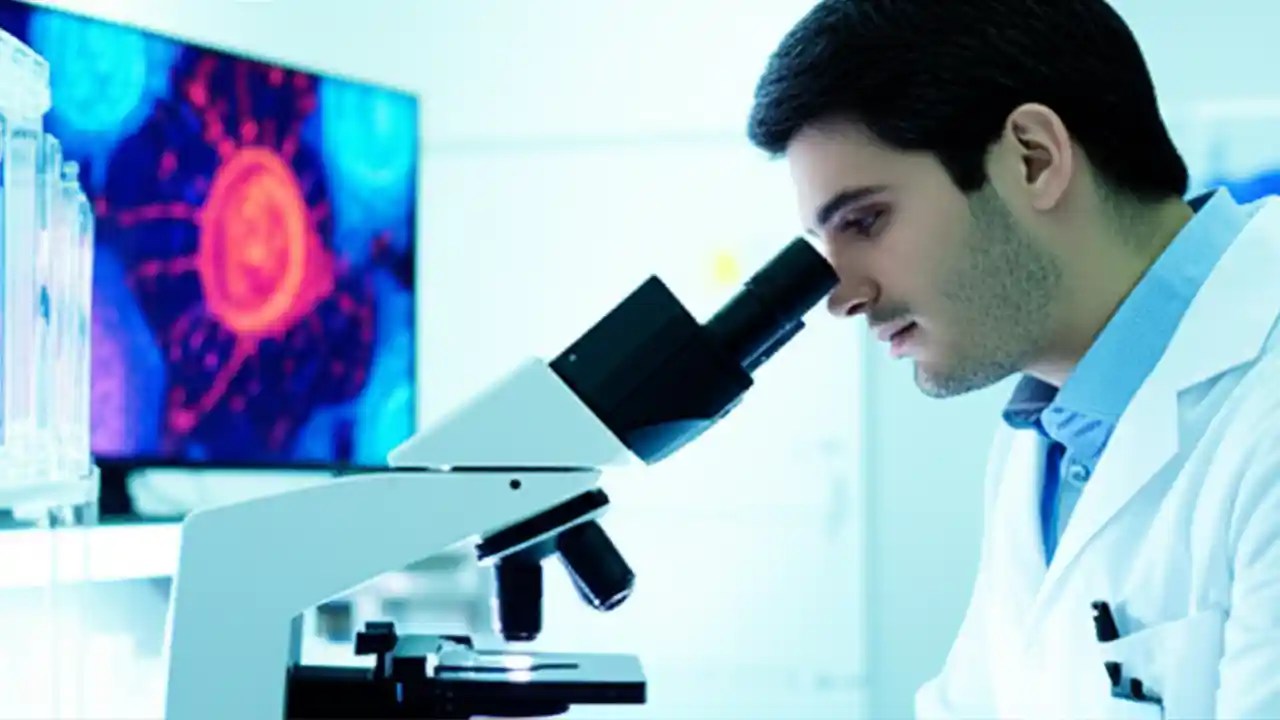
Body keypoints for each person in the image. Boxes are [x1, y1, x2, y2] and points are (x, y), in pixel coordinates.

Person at [747, 1, 1280, 718]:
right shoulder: (1049, 433)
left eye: (866, 221)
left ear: (1034, 158)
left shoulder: (1262, 414)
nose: (843, 297)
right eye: (824, 243)